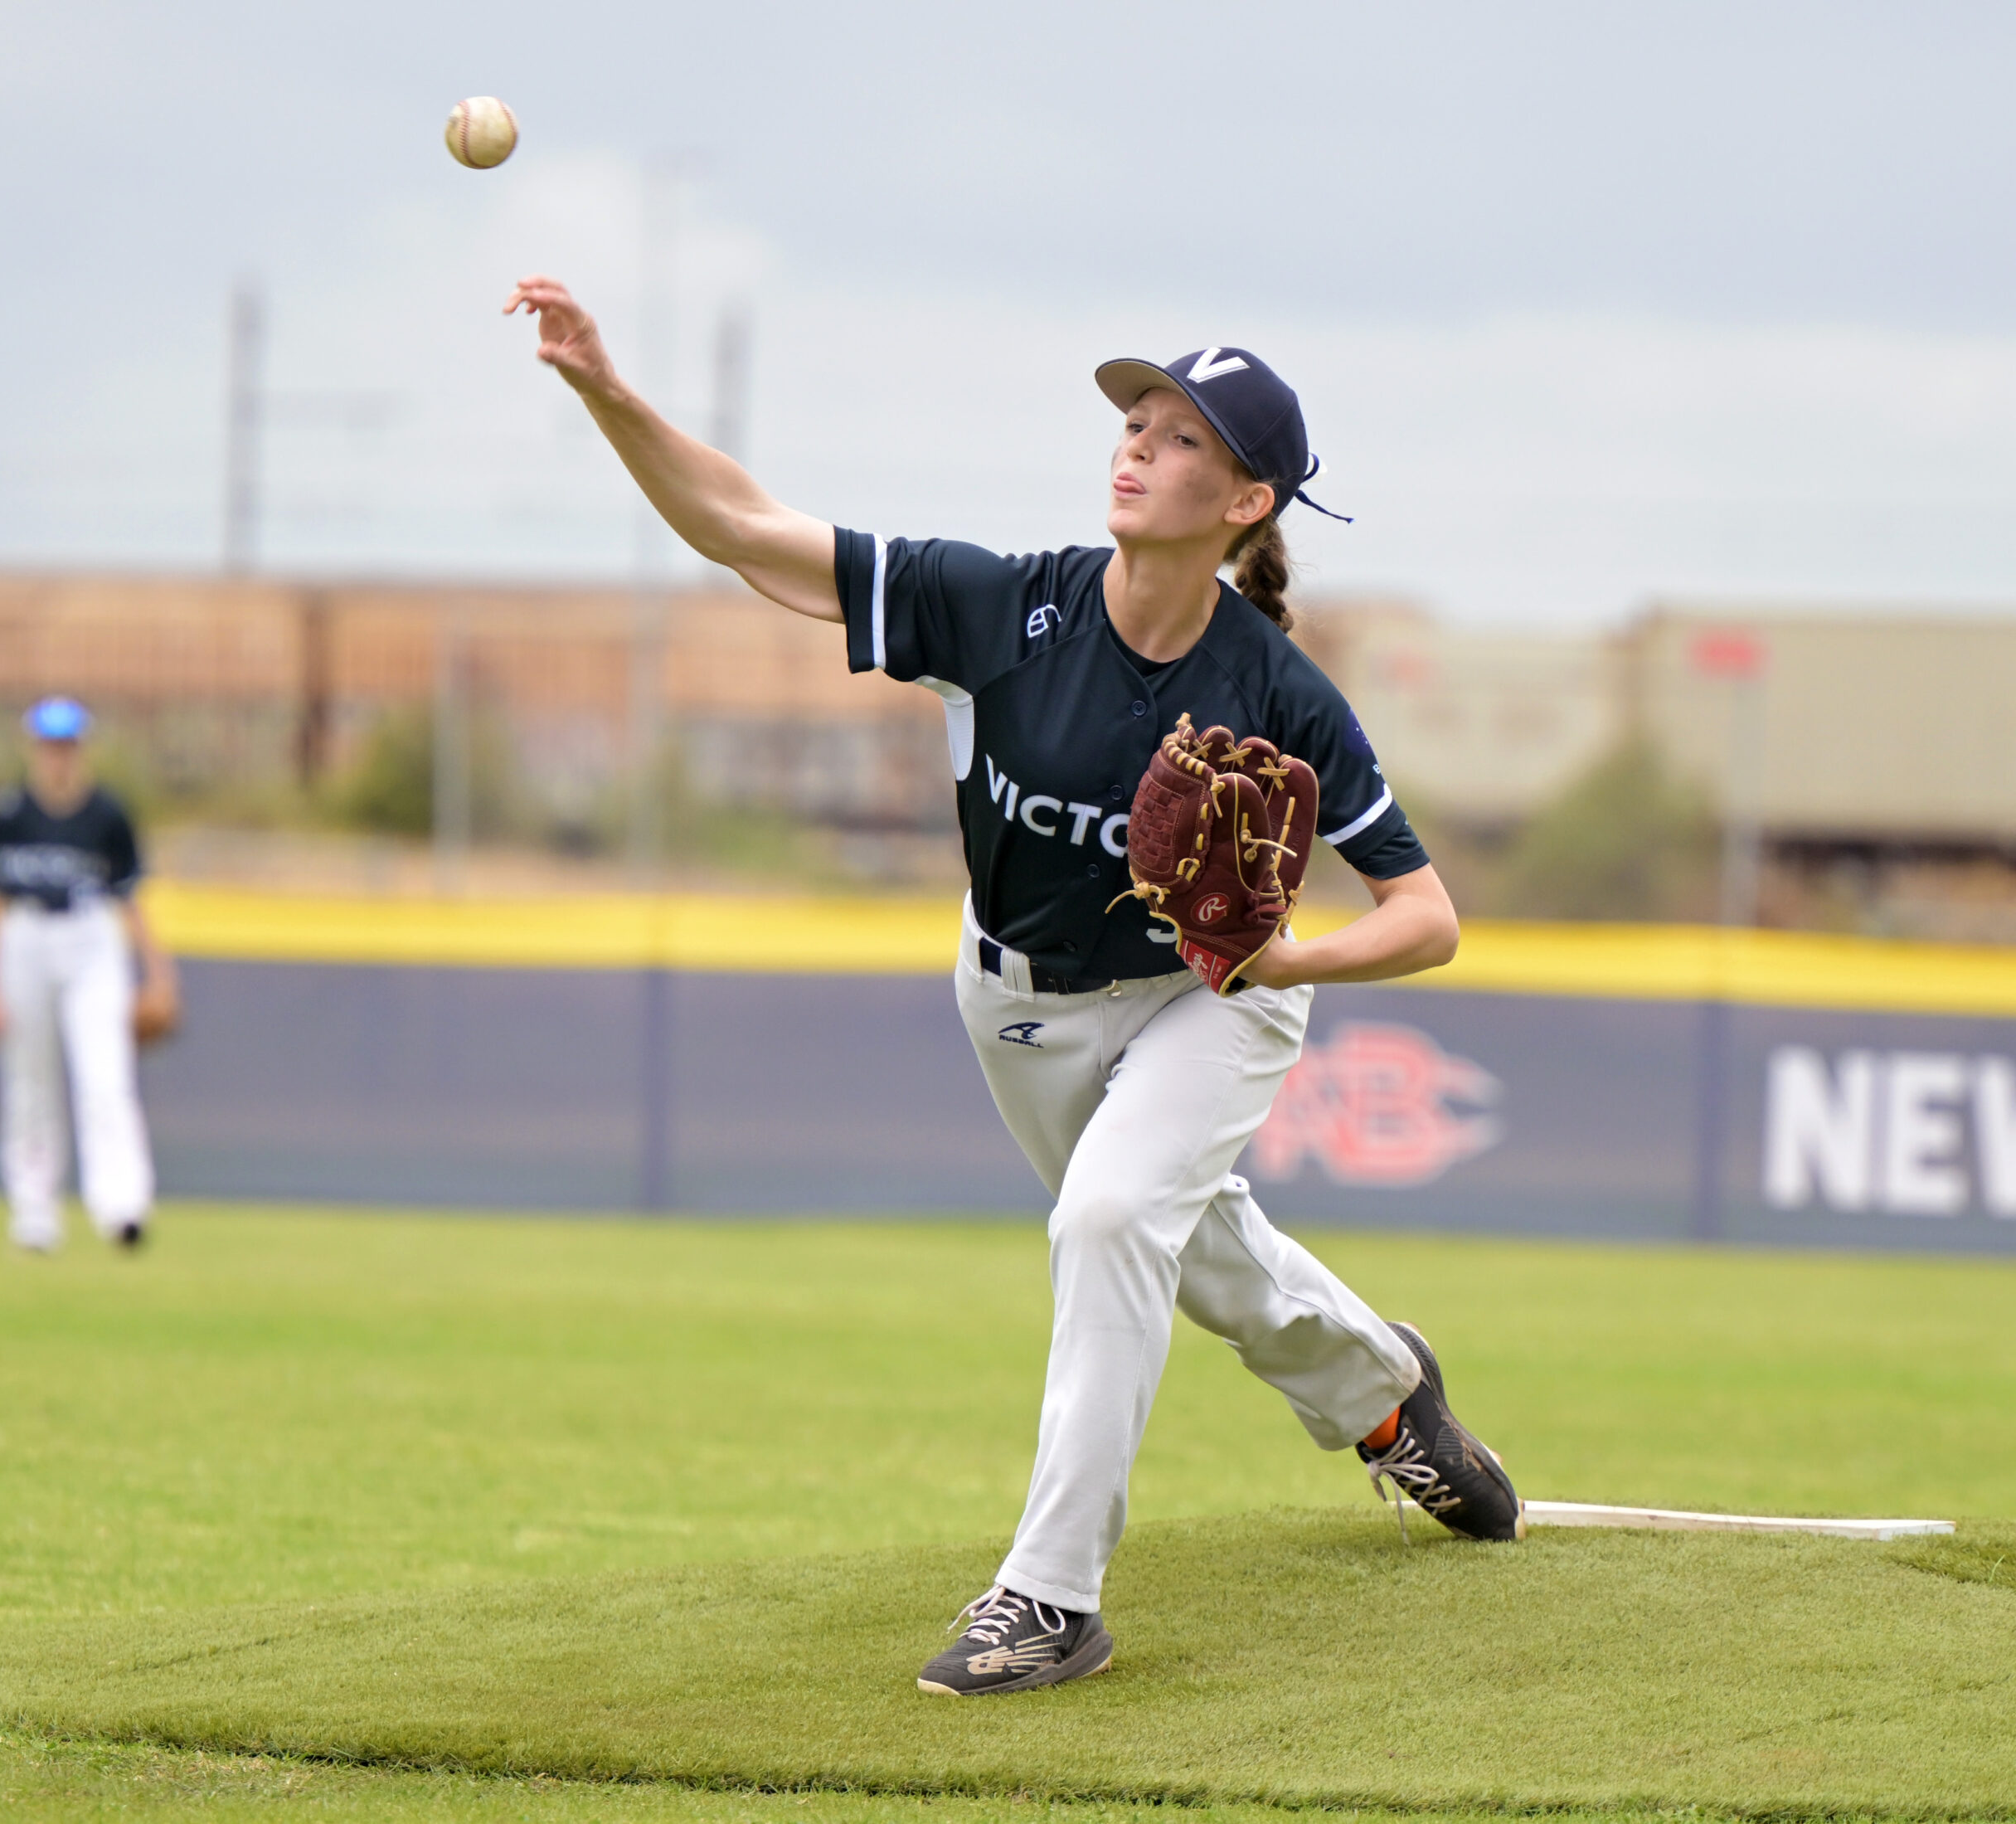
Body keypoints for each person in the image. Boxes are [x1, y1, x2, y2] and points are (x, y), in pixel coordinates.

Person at [505, 277, 1523, 1697]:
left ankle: (1051, 1598)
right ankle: (1384, 1392)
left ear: (1245, 501)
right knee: (1196, 1251)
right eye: (1137, 420)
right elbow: (742, 528)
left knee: (1111, 1216)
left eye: (1179, 439)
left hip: (1205, 996)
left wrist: (1287, 955)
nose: (1136, 446)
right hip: (1018, 1001)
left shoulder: (1277, 690)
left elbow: (1427, 917)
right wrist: (605, 389)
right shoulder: (1001, 607)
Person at [0, 698, 175, 1252]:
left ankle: (122, 1205)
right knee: (29, 1081)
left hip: (90, 936)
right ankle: (35, 1212)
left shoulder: (107, 813)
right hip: (26, 936)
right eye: (49, 744)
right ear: (35, 747)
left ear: (81, 747)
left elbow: (132, 899)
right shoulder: (10, 812)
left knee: (105, 1075)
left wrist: (159, 975)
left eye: (67, 744)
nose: (58, 754)